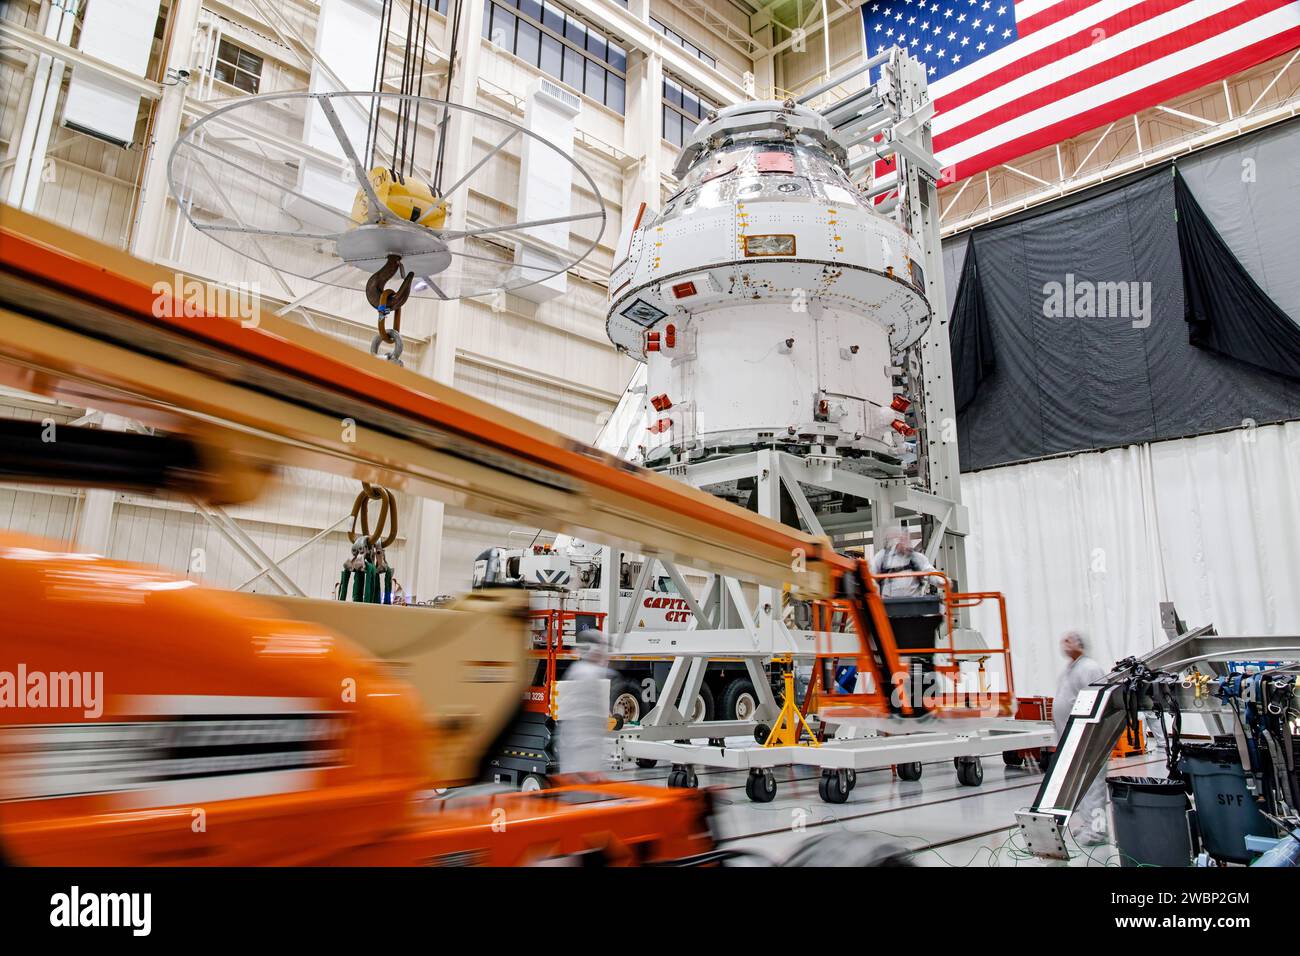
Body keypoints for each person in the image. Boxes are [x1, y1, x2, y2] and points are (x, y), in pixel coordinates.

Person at [1054, 631, 1110, 846]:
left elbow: (1098, 701)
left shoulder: (1089, 668)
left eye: (1068, 640)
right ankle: (1089, 824)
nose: (1064, 643)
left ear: (1080, 644)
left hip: (1090, 738)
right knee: (1082, 786)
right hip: (1074, 738)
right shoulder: (1072, 668)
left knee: (1093, 786)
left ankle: (1098, 832)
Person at [556, 629, 615, 776]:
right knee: (583, 790)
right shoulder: (589, 672)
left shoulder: (578, 669)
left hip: (578, 744)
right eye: (601, 646)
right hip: (584, 746)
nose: (603, 651)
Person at [869, 527, 936, 598]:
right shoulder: (883, 556)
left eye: (908, 539)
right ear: (898, 541)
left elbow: (930, 572)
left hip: (914, 602)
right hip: (888, 603)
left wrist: (945, 582)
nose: (906, 543)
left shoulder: (917, 557)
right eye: (903, 539)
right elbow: (870, 575)